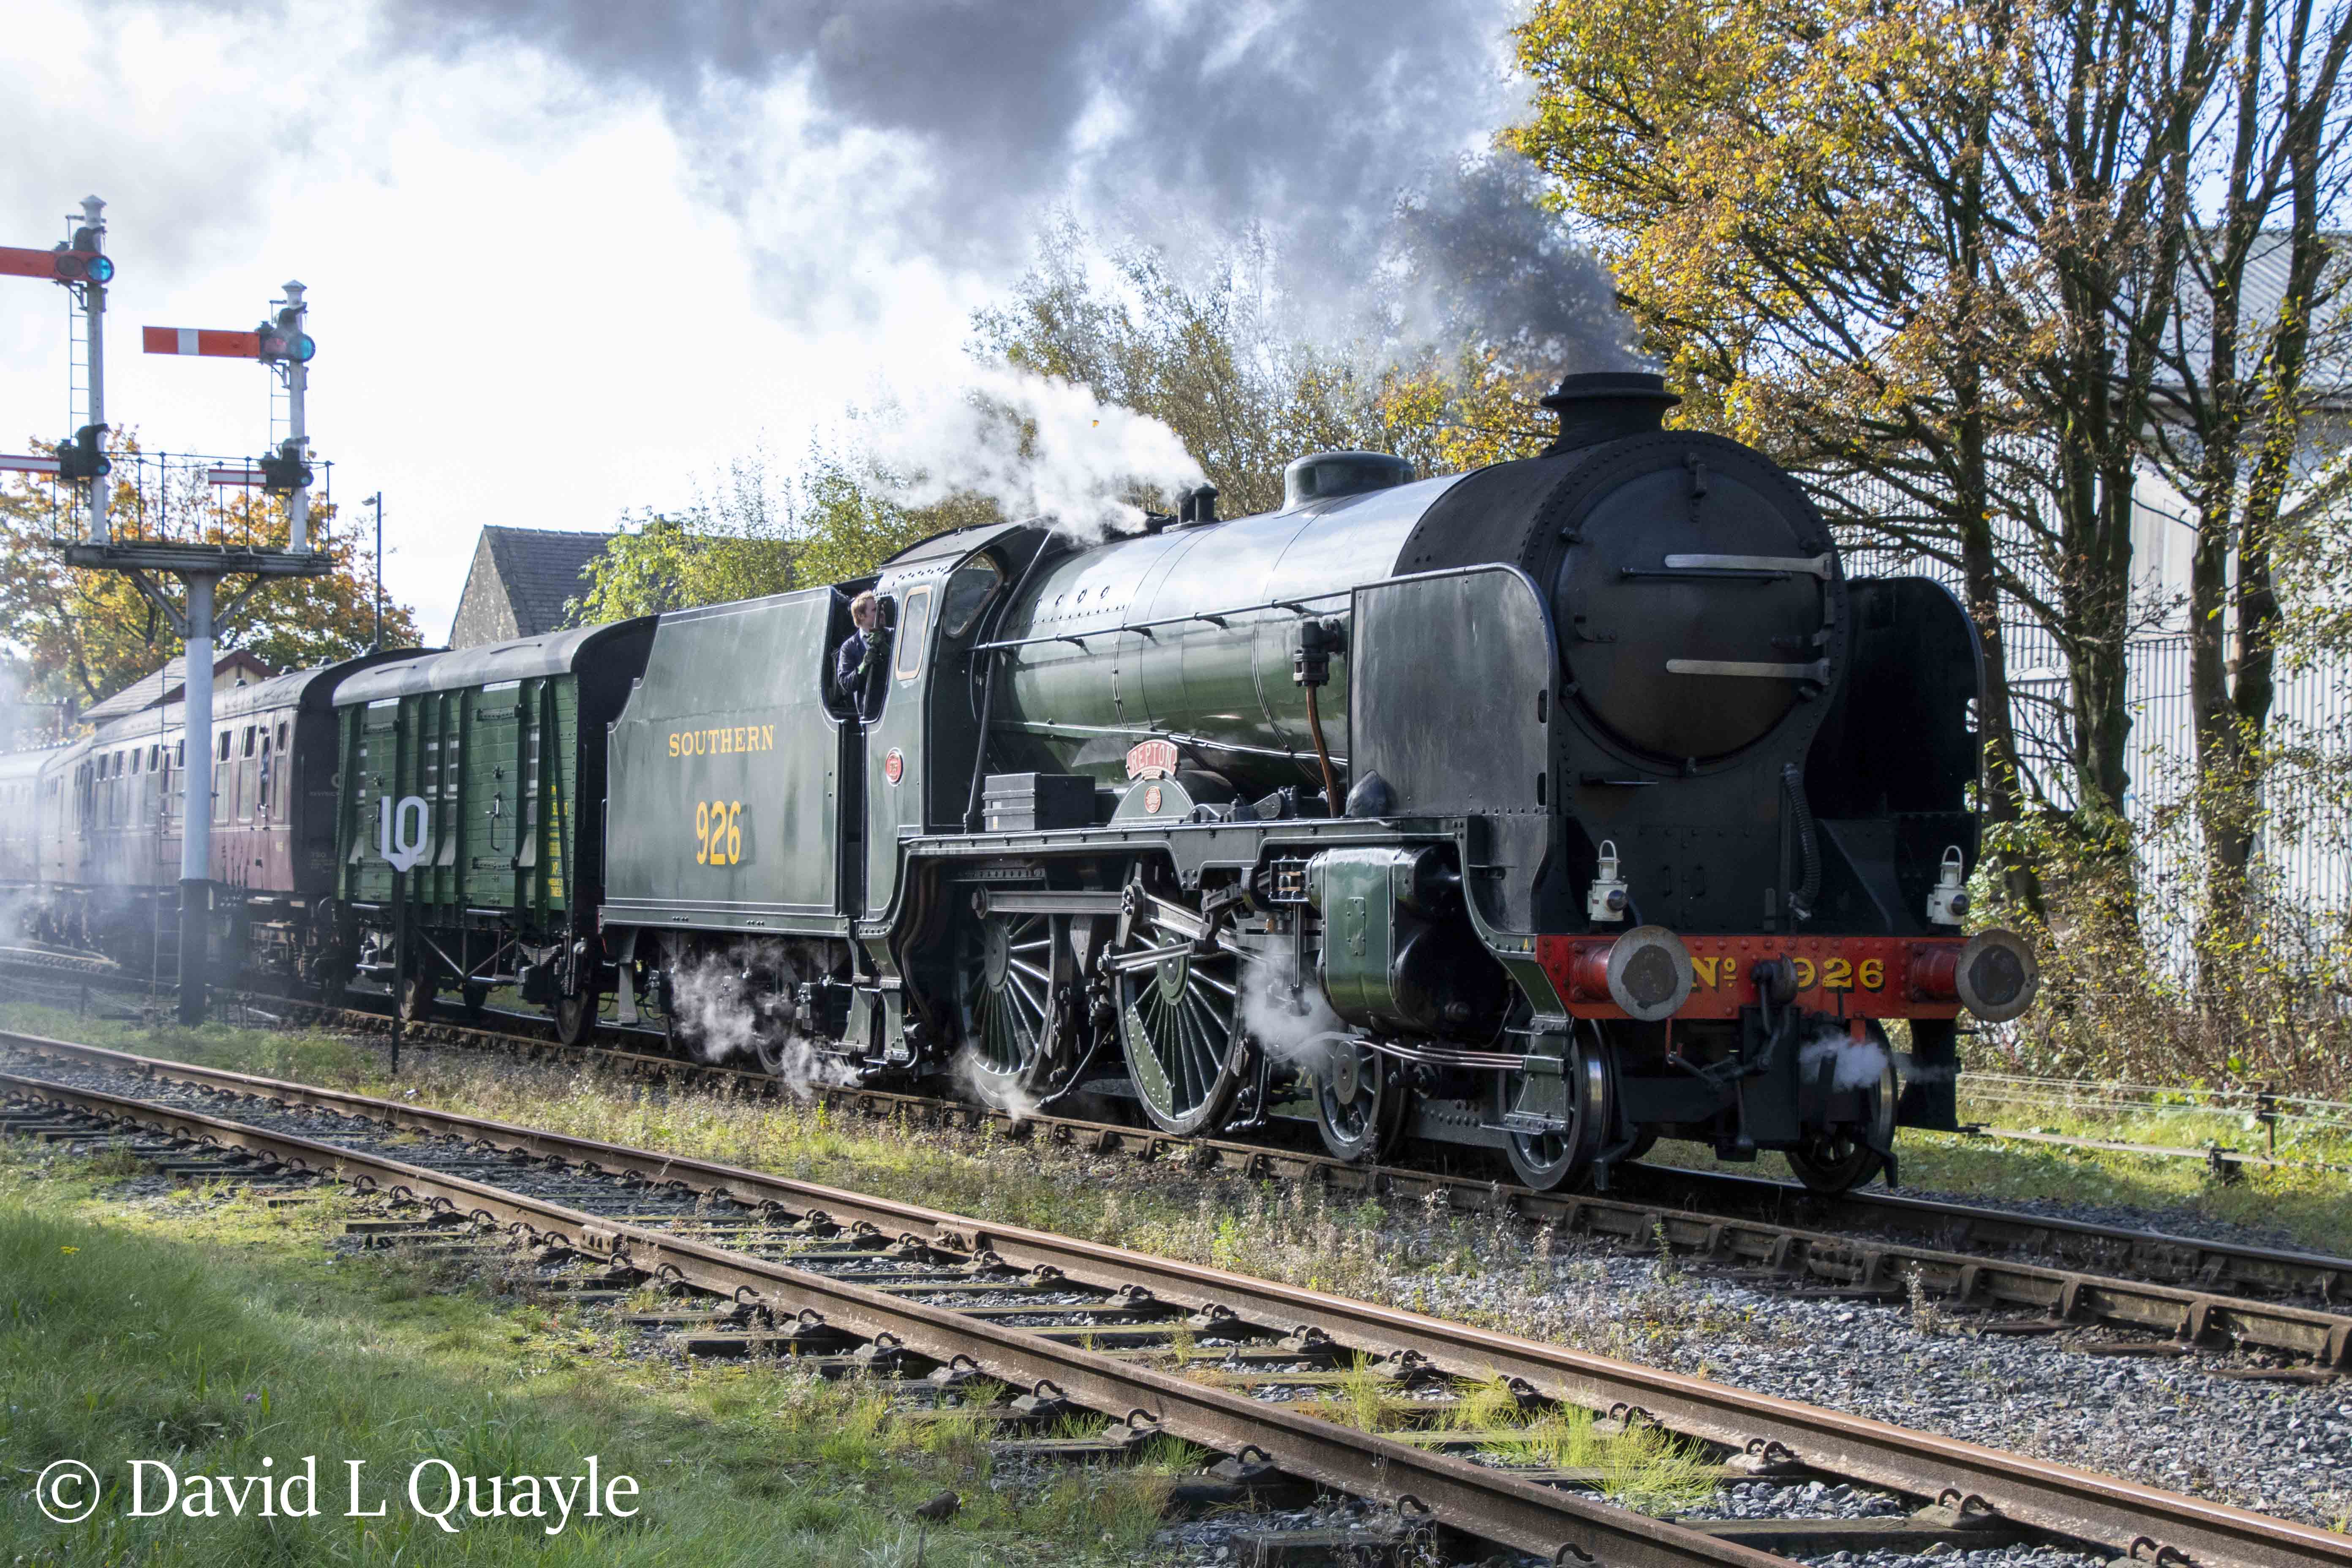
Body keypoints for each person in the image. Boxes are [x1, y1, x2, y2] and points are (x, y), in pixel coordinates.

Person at [835, 591, 890, 721]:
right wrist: (863, 666)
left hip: (894, 706)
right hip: (870, 715)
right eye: (875, 610)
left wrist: (886, 649)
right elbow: (846, 683)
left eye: (882, 609)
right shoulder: (849, 647)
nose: (881, 613)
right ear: (861, 616)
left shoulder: (895, 635)